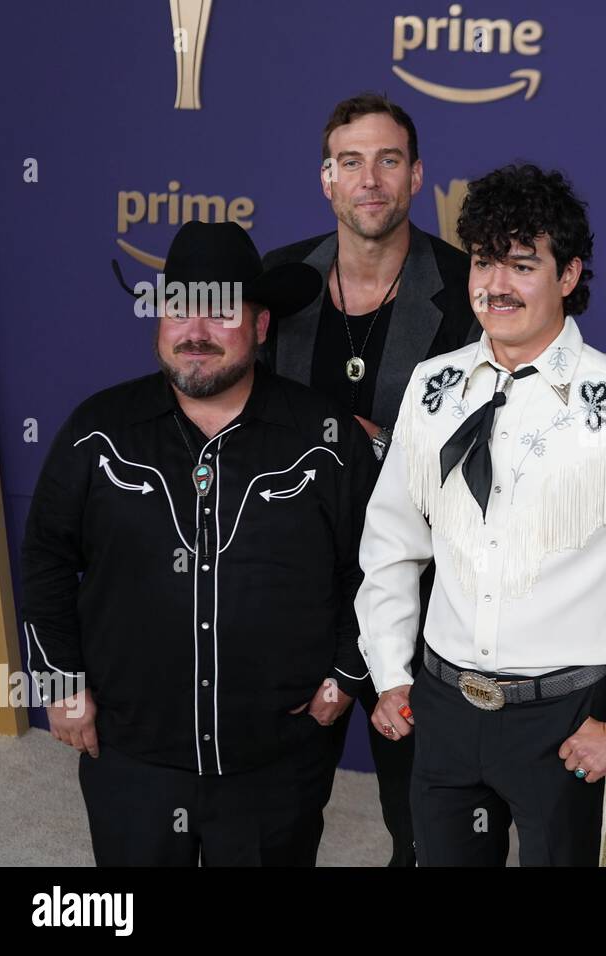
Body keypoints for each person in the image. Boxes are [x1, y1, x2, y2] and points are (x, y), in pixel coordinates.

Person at [355, 164, 606, 866]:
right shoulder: (434, 389)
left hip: (564, 718)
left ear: (569, 274)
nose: (497, 285)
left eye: (523, 265)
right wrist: (390, 670)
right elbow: (392, 543)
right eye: (485, 262)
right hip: (443, 703)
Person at [22, 221, 376, 865]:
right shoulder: (97, 431)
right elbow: (46, 558)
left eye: (219, 312)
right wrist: (59, 681)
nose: (196, 332)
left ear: (262, 326)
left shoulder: (323, 437)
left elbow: (375, 565)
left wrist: (346, 676)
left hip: (278, 754)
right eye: (179, 309)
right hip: (133, 753)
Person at [260, 92, 479, 866]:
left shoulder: (466, 291)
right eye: (351, 162)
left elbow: (493, 457)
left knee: (422, 821)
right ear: (327, 179)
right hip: (292, 584)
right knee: (272, 818)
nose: (371, 180)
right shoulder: (279, 281)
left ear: (417, 175)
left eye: (389, 161)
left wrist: (379, 446)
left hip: (421, 588)